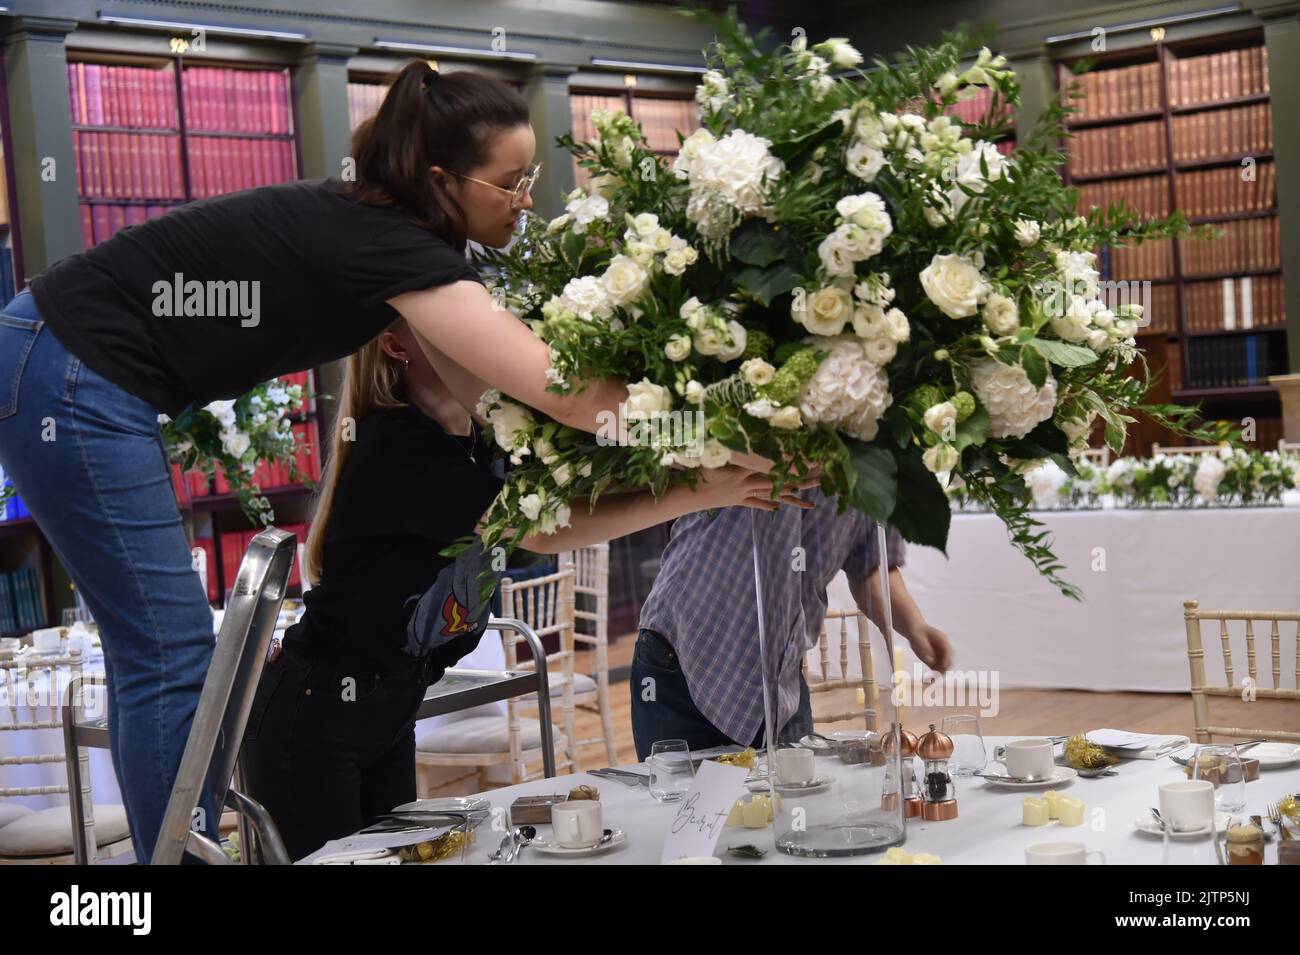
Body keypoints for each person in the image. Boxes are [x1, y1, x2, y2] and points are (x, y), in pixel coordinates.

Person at [0, 61, 770, 861]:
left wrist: (702, 465)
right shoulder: (393, 245)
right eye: (510, 181)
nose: (526, 198)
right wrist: (719, 431)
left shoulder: (397, 240)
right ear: (441, 179)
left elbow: (549, 494)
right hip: (68, 369)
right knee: (172, 653)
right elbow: (569, 396)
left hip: (60, 360)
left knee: (157, 655)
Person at [240, 319, 796, 860]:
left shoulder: (487, 444)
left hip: (389, 707)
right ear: (395, 344)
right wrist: (697, 490)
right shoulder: (398, 443)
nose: (477, 337)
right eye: (448, 326)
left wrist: (712, 461)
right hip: (315, 718)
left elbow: (582, 489)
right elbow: (546, 526)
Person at [631, 491, 954, 760]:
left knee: (793, 819)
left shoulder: (875, 469)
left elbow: (869, 565)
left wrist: (915, 627)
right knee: (686, 821)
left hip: (779, 683)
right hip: (680, 659)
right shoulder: (750, 420)